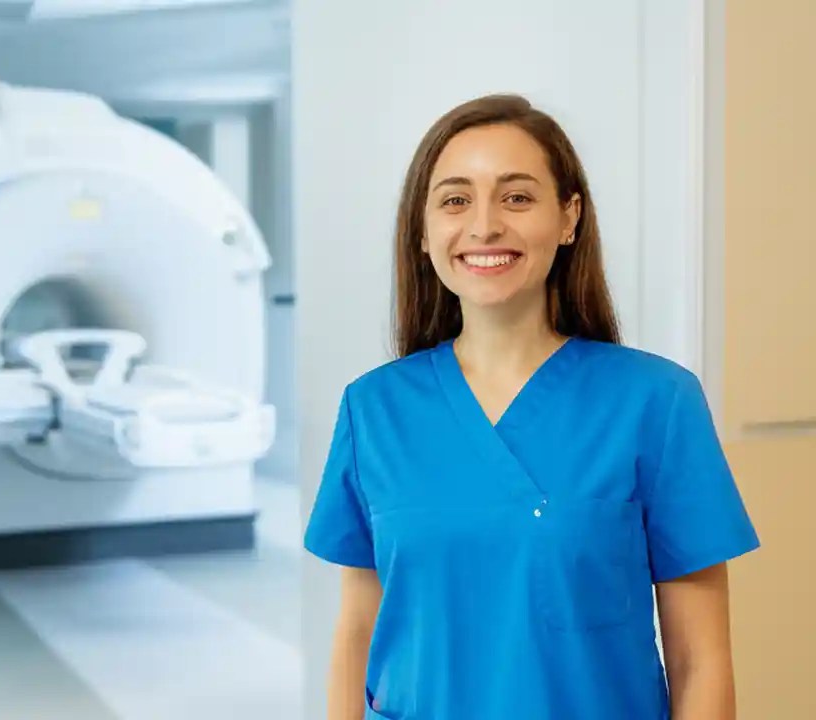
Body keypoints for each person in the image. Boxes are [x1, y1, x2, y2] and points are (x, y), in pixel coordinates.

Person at [303, 94, 760, 720]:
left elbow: (699, 660)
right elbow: (357, 634)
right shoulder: (373, 409)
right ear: (422, 230)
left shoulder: (656, 403)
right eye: (455, 199)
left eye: (516, 197)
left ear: (568, 218)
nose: (485, 226)